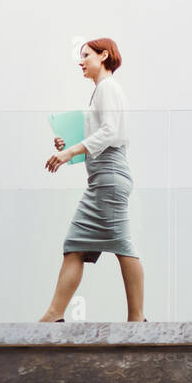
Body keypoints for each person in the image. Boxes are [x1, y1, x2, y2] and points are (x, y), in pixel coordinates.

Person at [38, 37, 145, 322]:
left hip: (108, 178)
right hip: (105, 177)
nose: (81, 61)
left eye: (86, 55)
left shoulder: (107, 88)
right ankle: (135, 319)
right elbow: (102, 138)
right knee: (92, 244)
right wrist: (69, 146)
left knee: (96, 244)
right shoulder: (103, 91)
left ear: (104, 55)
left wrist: (72, 150)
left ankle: (55, 315)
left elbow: (110, 133)